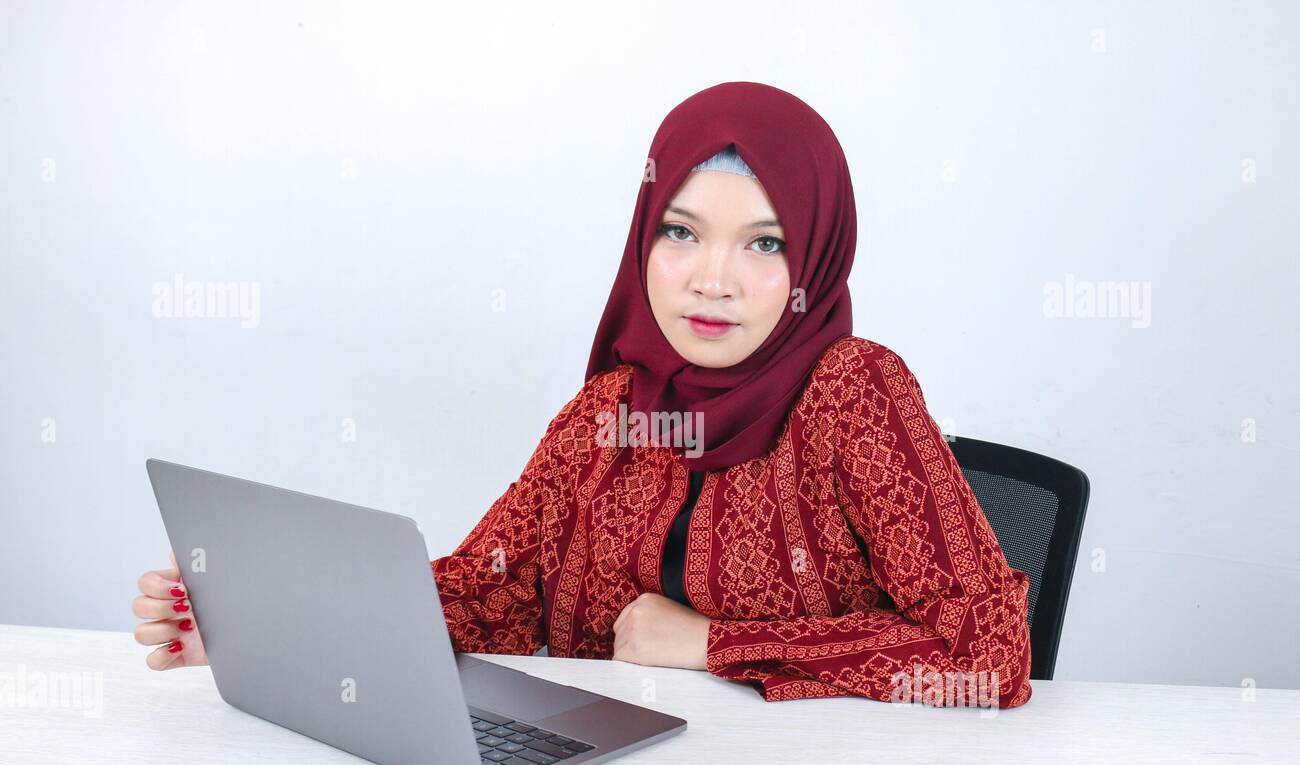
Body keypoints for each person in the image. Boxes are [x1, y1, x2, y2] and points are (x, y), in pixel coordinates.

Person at [131, 81, 1032, 709]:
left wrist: (710, 644)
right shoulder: (612, 410)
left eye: (764, 246)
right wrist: (270, 624)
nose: (712, 279)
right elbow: (493, 592)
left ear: (817, 260)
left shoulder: (852, 391)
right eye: (681, 232)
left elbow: (989, 653)